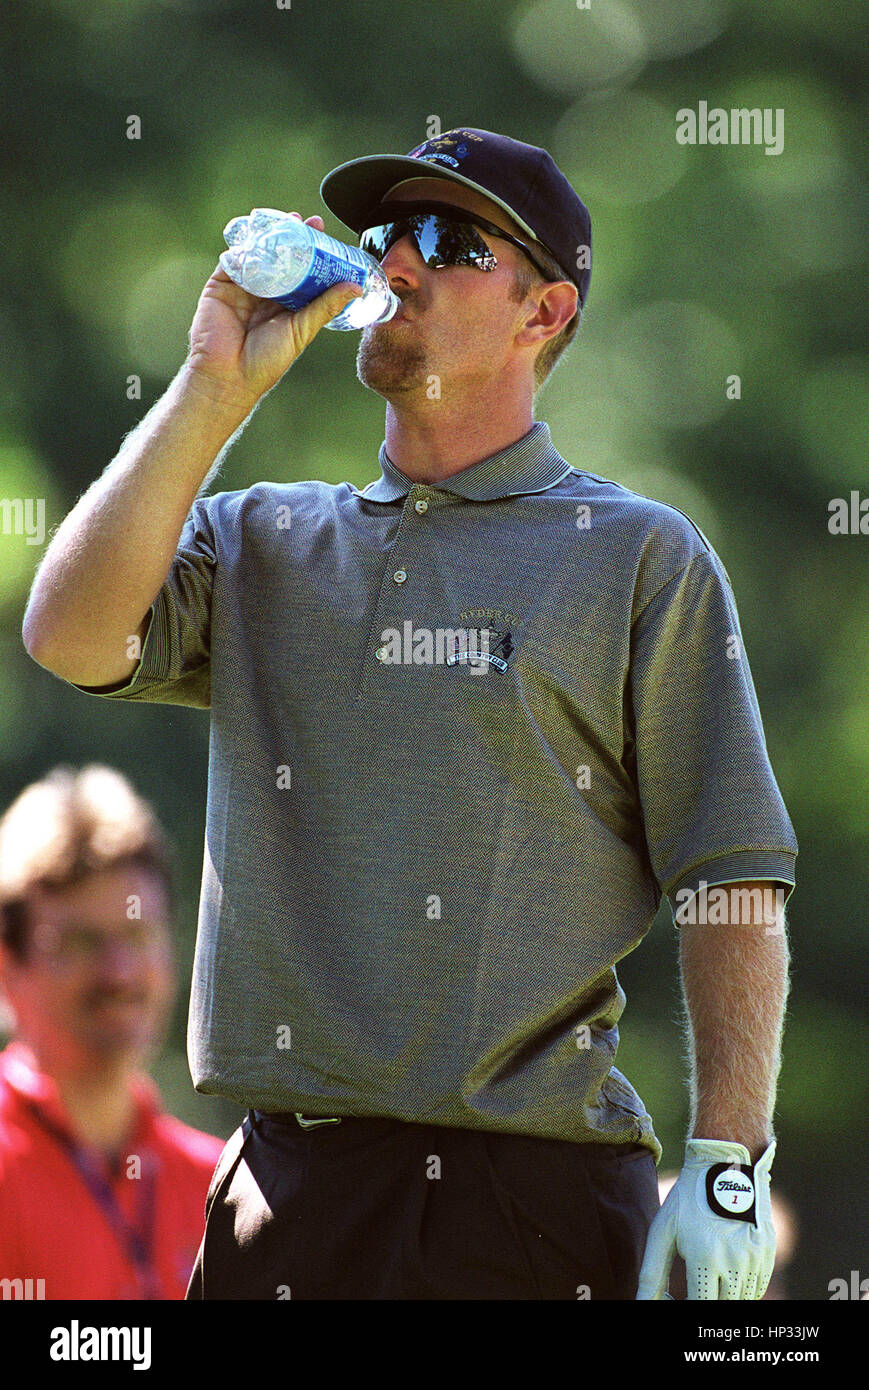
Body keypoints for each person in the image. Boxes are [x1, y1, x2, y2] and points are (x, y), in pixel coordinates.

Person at [20, 128, 797, 1301]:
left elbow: (728, 875)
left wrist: (726, 1165)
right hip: (285, 1197)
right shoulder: (262, 538)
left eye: (447, 241)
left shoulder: (640, 557)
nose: (395, 264)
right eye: (386, 236)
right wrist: (210, 387)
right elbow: (67, 636)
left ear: (541, 314)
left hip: (529, 1205)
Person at [0, 764, 224, 1299]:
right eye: (81, 943)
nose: (119, 972)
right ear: (8, 966)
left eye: (138, 934)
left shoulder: (223, 1187)